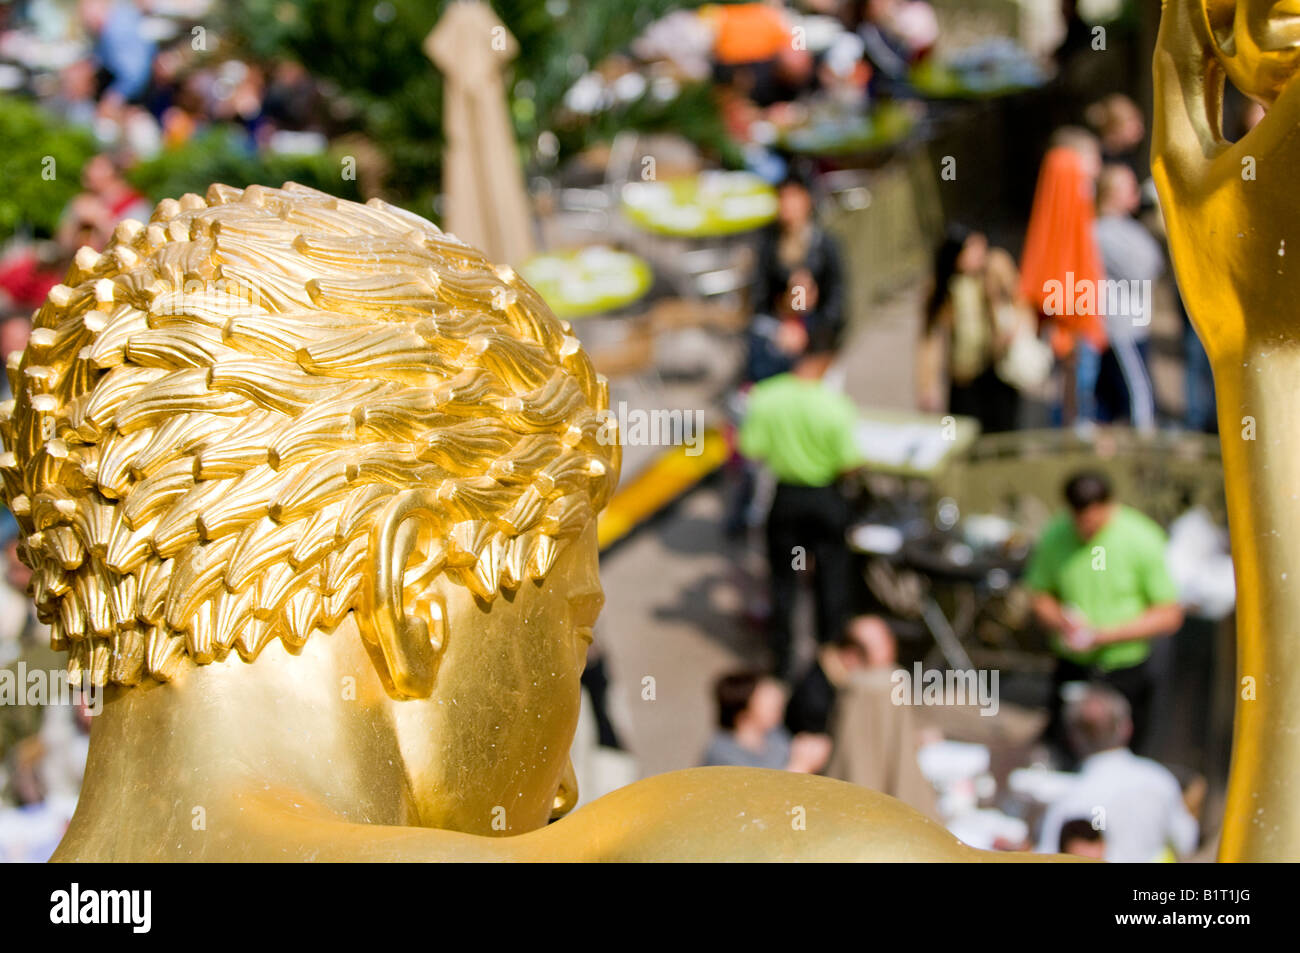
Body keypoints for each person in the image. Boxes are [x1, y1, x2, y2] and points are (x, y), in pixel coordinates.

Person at [1025, 471, 1184, 757]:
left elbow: (1169, 614)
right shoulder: (1056, 535)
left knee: (1122, 756)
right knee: (1064, 748)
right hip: (1073, 665)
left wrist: (1105, 635)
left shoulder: (1142, 538)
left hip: (1125, 670)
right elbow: (1039, 595)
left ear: (1109, 506)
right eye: (1080, 522)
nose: (1086, 529)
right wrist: (1060, 620)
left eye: (1093, 521)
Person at [739, 324, 864, 679]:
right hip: (825, 500)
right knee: (831, 581)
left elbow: (752, 450)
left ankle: (782, 662)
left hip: (786, 500)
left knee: (783, 582)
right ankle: (830, 660)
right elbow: (850, 464)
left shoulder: (766, 397)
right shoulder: (836, 406)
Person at [1037, 686, 1198, 862]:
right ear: (1127, 728)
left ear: (1072, 737)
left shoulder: (1067, 801)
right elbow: (1186, 842)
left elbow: (1046, 856)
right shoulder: (1159, 779)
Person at [1018, 127, 1105, 426]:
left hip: (1071, 304)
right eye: (1094, 157)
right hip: (1068, 309)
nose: (1099, 166)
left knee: (1072, 387)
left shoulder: (1078, 192)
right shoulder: (1068, 176)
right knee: (1070, 390)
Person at [917, 225, 1025, 432]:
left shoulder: (995, 266)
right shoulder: (941, 285)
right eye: (971, 248)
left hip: (997, 369)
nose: (979, 252)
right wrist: (927, 385)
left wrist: (1014, 328)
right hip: (963, 377)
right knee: (961, 435)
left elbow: (1021, 299)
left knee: (1003, 433)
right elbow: (929, 338)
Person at [746, 174, 847, 383]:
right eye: (783, 198)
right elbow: (758, 300)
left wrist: (808, 330)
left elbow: (837, 303)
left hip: (815, 343)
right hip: (776, 337)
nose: (787, 205)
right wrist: (785, 309)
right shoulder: (768, 245)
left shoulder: (824, 246)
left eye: (793, 197)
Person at [1093, 164, 1162, 431]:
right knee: (1139, 396)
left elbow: (1155, 264)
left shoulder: (1126, 228)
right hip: (1119, 327)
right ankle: (1144, 454)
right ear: (1112, 193)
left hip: (1133, 326)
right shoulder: (1102, 231)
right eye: (1129, 188)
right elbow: (1144, 268)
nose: (1136, 194)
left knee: (1110, 399)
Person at [701, 670, 831, 773]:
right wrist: (801, 765)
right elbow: (764, 799)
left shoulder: (774, 734)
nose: (777, 704)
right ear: (744, 715)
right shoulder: (722, 755)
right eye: (769, 705)